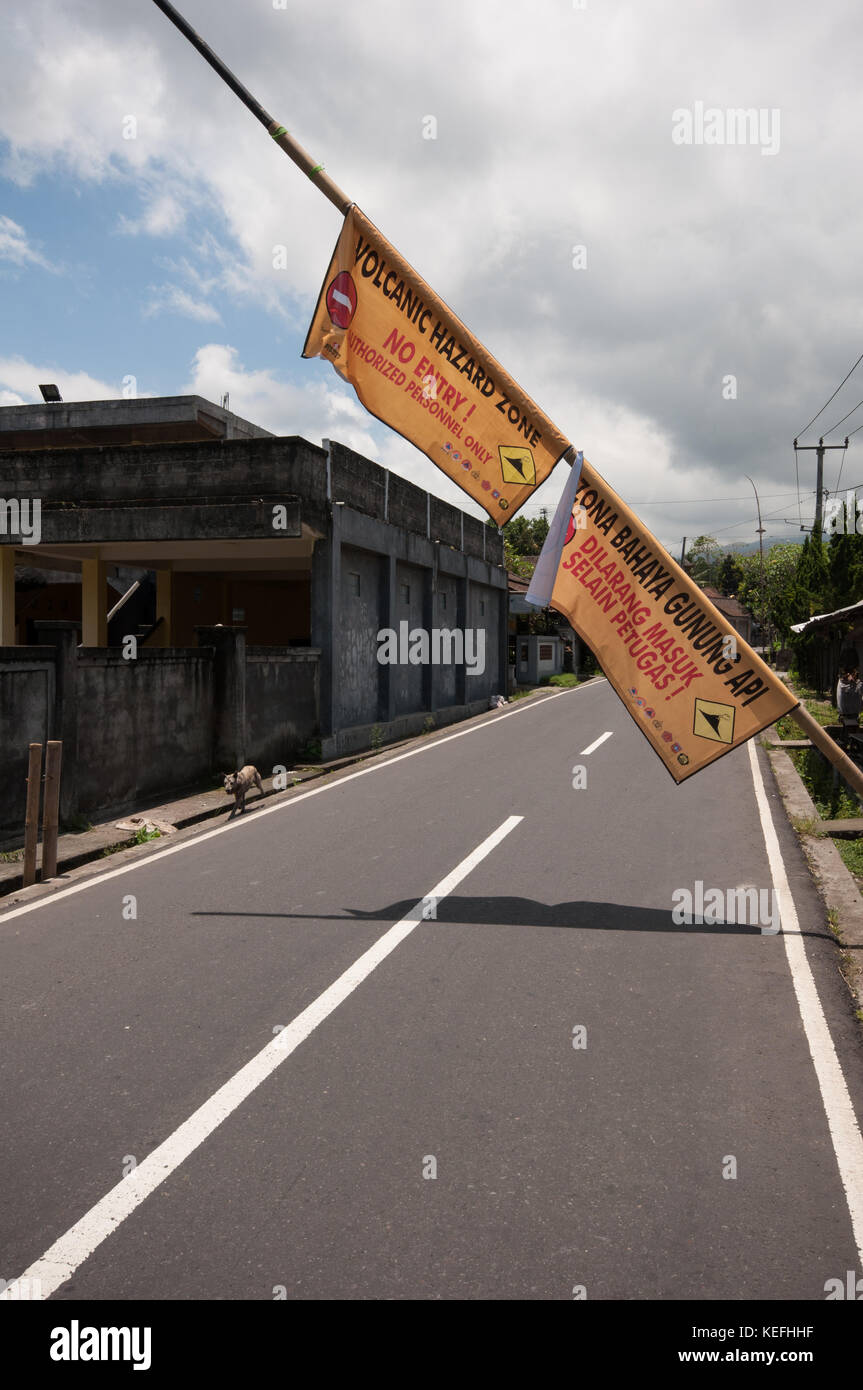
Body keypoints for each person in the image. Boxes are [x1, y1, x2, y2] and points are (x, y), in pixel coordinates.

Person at [836, 668, 863, 740]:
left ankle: (845, 743)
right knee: (851, 731)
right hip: (848, 713)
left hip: (851, 713)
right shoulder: (844, 685)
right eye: (853, 674)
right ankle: (846, 744)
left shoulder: (851, 684)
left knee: (849, 730)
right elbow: (852, 690)